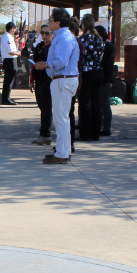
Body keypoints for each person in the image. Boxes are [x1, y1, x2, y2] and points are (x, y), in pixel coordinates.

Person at [42, 8, 79, 165]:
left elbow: (61, 61)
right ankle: (64, 151)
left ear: (58, 22)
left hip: (63, 80)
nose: (49, 22)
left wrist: (45, 65)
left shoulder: (63, 38)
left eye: (51, 20)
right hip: (62, 80)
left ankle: (62, 153)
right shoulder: (62, 37)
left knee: (61, 119)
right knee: (62, 118)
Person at [77, 15, 105, 142]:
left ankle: (85, 133)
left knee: (85, 103)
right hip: (98, 71)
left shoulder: (82, 40)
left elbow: (80, 57)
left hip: (86, 72)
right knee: (96, 102)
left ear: (83, 24)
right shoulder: (99, 39)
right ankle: (96, 132)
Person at [29, 24, 53, 145]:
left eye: (47, 33)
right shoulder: (39, 46)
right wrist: (31, 80)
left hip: (48, 79)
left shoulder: (53, 48)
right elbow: (33, 64)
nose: (44, 35)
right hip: (38, 79)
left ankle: (45, 134)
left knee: (46, 108)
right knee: (41, 106)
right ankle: (43, 133)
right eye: (42, 33)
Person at [96, 25, 116, 137]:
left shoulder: (109, 47)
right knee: (101, 102)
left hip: (106, 78)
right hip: (102, 78)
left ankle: (107, 128)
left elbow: (106, 63)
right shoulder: (105, 46)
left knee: (104, 103)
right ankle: (101, 125)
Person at [0, 21, 19, 105]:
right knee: (9, 81)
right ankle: (6, 99)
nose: (15, 31)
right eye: (14, 29)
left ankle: (5, 98)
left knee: (8, 81)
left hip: (7, 60)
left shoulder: (5, 37)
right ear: (12, 29)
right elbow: (11, 51)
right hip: (10, 60)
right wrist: (19, 53)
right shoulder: (8, 37)